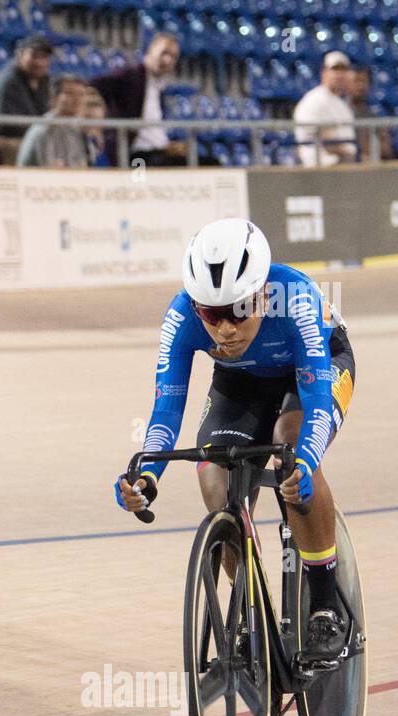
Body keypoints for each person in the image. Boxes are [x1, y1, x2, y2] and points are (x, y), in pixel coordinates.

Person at [116, 219, 357, 663]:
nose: (225, 328)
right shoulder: (180, 316)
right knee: (213, 477)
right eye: (211, 314)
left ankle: (326, 606)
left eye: (238, 311)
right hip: (240, 381)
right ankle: (249, 609)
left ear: (263, 293)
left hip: (315, 369)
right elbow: (166, 412)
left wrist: (304, 462)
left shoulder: (297, 298)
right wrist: (146, 475)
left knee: (290, 441)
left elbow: (318, 403)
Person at [89, 32, 183, 166]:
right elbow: (94, 85)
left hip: (160, 151)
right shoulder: (131, 75)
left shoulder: (159, 87)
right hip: (137, 157)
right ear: (151, 50)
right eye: (164, 53)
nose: (167, 60)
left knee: (210, 162)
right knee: (160, 165)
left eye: (173, 57)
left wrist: (167, 144)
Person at [0, 33, 55, 165]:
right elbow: (9, 124)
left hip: (31, 136)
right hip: (4, 140)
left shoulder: (45, 80)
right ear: (20, 55)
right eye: (34, 55)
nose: (39, 62)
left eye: (44, 57)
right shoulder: (8, 81)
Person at [293, 51, 358, 167]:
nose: (339, 75)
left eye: (343, 70)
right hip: (320, 166)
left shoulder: (341, 103)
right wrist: (344, 151)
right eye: (335, 69)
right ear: (324, 73)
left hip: (342, 165)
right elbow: (318, 135)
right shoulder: (314, 99)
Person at [16, 75, 87, 168]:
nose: (77, 99)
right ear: (54, 97)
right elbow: (49, 172)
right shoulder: (45, 129)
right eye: (69, 93)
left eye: (81, 94)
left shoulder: (74, 128)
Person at [348, 66, 391, 162]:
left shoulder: (373, 114)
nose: (360, 86)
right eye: (356, 81)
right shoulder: (340, 111)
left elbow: (386, 148)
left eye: (363, 81)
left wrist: (367, 147)